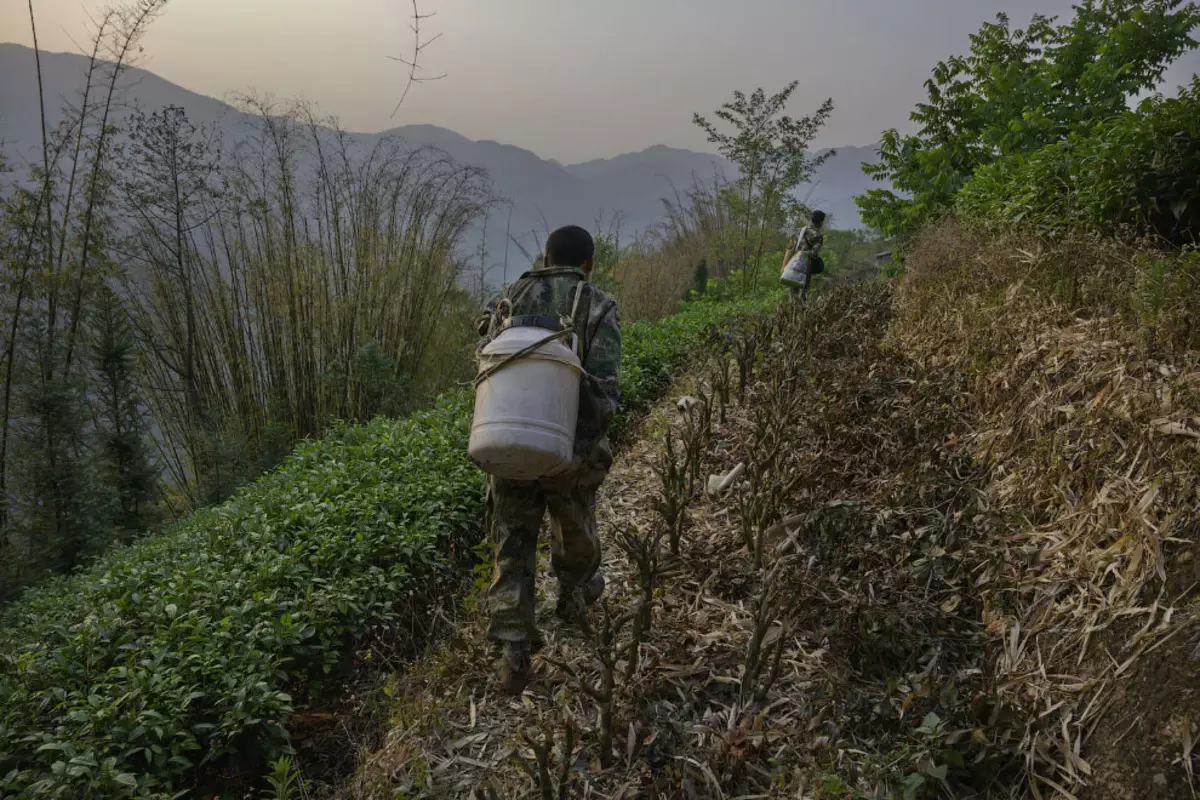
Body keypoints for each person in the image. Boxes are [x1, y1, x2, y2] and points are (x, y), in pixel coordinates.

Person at [474, 225, 621, 694]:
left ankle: (514, 653)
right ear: (588, 264)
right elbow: (604, 391)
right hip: (566, 447)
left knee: (512, 542)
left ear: (544, 258)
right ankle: (574, 601)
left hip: (509, 437)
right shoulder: (597, 304)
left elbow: (487, 367)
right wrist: (580, 449)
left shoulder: (506, 300)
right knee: (574, 527)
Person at [787, 210, 826, 304]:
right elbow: (814, 253)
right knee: (802, 293)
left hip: (794, 263)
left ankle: (791, 310)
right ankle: (800, 313)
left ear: (812, 219)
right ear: (820, 222)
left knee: (793, 292)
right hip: (806, 266)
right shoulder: (818, 235)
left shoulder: (801, 230)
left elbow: (792, 246)